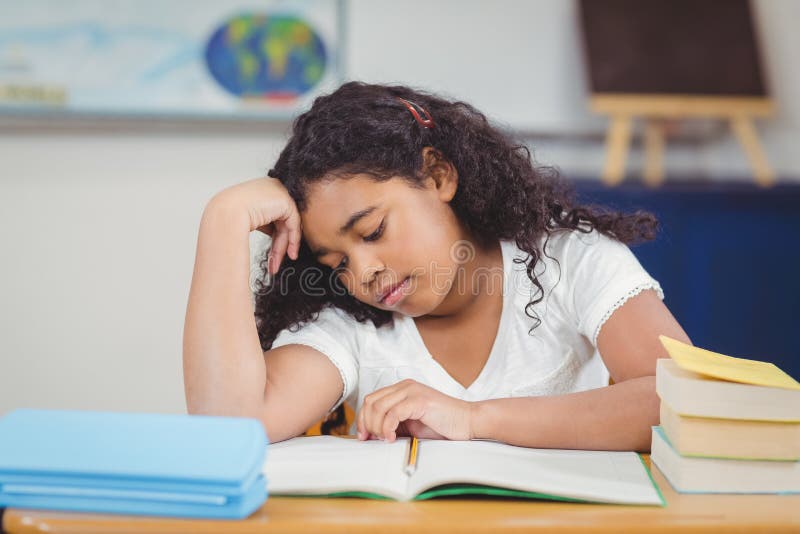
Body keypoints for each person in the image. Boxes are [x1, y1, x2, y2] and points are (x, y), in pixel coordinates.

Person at [182, 82, 691, 452]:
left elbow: (679, 402)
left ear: (438, 176)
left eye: (373, 232)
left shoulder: (570, 260)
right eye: (335, 262)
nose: (363, 272)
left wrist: (475, 418)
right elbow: (232, 427)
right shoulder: (352, 322)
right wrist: (223, 221)